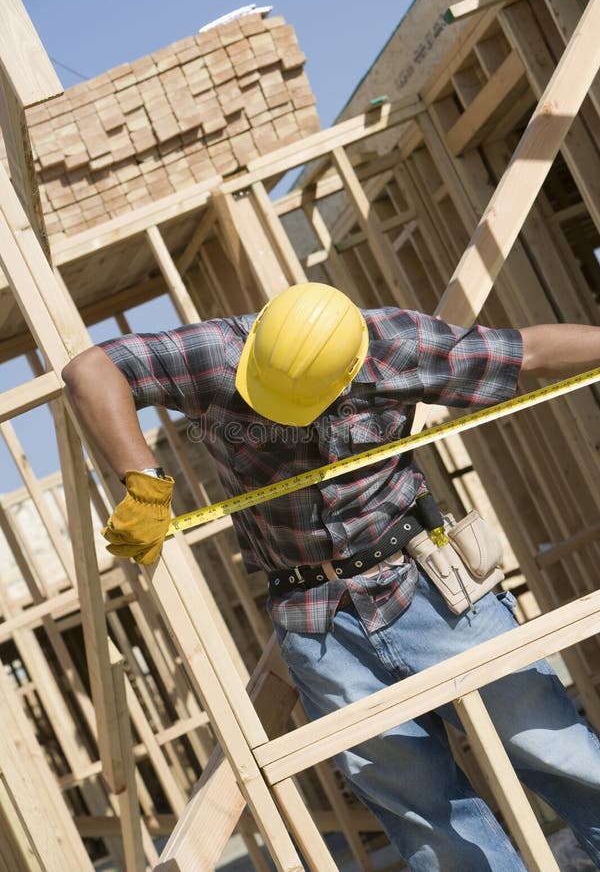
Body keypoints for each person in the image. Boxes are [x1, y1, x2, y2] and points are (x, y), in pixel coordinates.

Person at [62, 282, 600, 870]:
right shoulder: (220, 353)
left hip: (432, 591)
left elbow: (528, 352)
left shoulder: (393, 344)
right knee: (422, 815)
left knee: (557, 750)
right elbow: (94, 368)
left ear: (349, 371)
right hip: (318, 627)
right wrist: (142, 479)